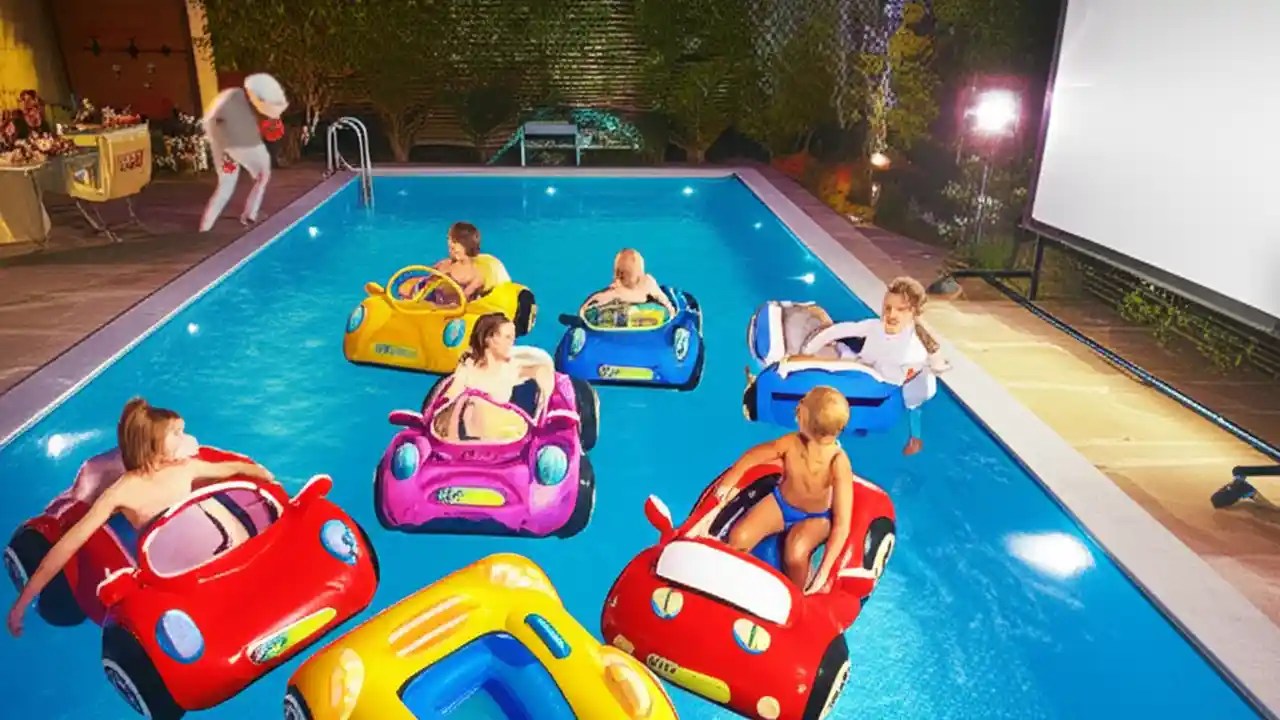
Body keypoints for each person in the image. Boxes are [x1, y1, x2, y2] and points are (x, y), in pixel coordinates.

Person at [6, 398, 274, 637]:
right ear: (154, 444)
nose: (187, 438)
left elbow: (227, 469)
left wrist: (260, 473)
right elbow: (68, 546)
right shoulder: (122, 492)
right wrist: (21, 606)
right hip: (173, 570)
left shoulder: (184, 468)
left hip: (214, 548)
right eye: (177, 433)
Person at [713, 387, 857, 594]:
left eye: (802, 405)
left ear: (808, 421)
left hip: (816, 517)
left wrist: (824, 572)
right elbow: (755, 456)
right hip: (781, 504)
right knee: (739, 538)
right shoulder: (792, 442)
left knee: (795, 554)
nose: (797, 407)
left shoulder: (837, 461)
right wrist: (730, 481)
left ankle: (796, 595)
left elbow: (842, 523)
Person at [791, 276, 947, 456]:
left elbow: (911, 394)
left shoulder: (914, 353)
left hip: (874, 382)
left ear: (913, 313)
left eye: (900, 310)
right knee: (835, 340)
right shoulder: (875, 327)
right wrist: (808, 351)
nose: (891, 314)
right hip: (863, 365)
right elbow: (839, 330)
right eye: (887, 308)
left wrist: (915, 435)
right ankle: (818, 316)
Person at [433, 313, 555, 441]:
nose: (511, 343)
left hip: (502, 435)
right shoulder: (468, 367)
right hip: (471, 438)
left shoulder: (511, 367)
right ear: (488, 338)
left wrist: (543, 382)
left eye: (512, 338)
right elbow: (451, 395)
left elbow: (540, 370)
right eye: (507, 337)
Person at [199, 73, 289, 232]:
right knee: (262, 174)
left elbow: (212, 121)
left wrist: (223, 148)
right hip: (233, 142)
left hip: (221, 141)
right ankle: (249, 215)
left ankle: (205, 226)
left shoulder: (233, 98)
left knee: (226, 184)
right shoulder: (241, 104)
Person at [580, 248, 677, 317]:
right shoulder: (617, 289)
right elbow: (597, 299)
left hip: (641, 314)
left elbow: (664, 300)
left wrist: (584, 309)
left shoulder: (647, 283)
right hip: (637, 316)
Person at [427, 222, 486, 303]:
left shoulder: (476, 277)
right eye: (449, 239)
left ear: (467, 246)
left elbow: (461, 302)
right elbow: (426, 278)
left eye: (454, 242)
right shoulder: (444, 263)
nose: (450, 245)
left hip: (446, 307)